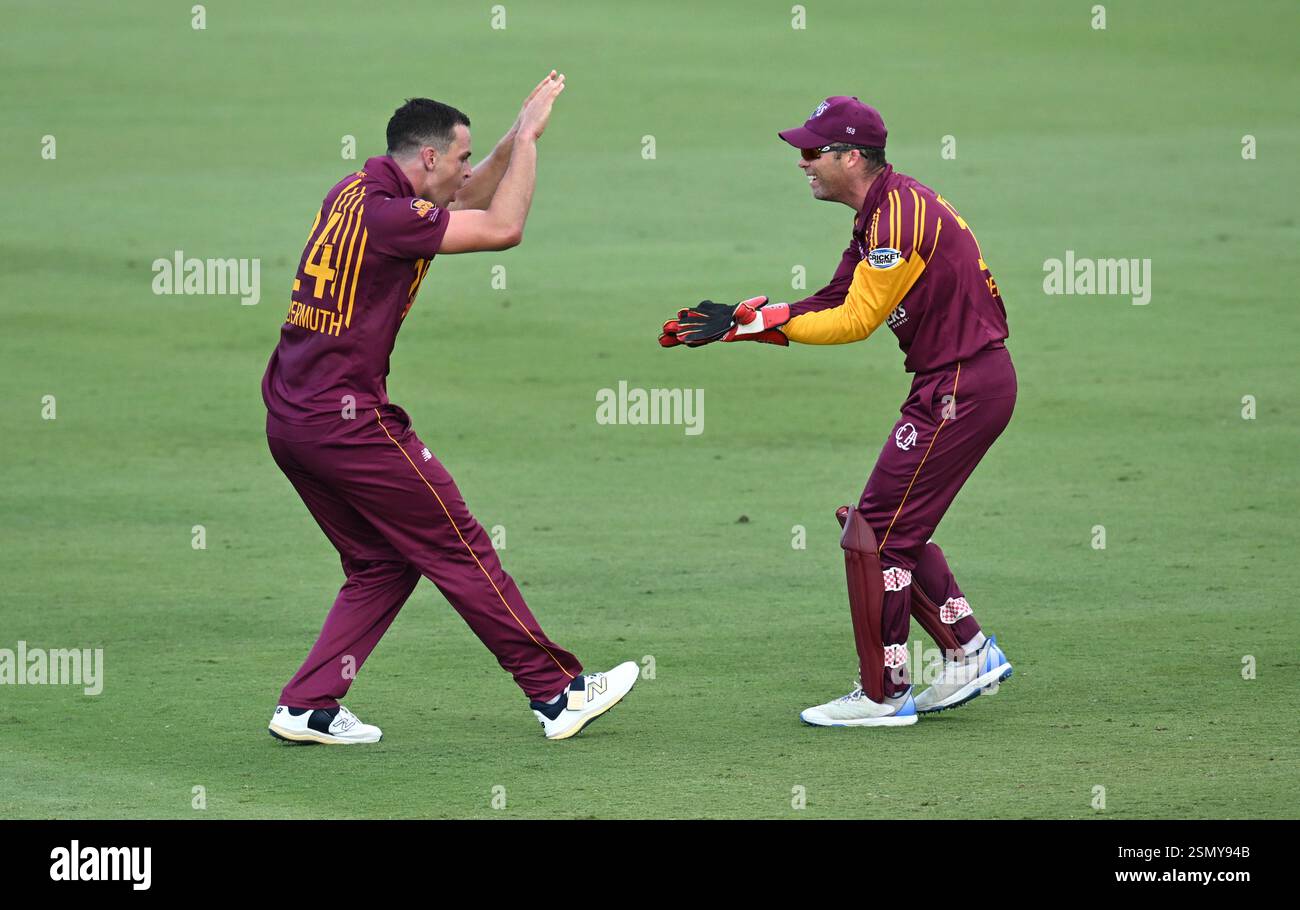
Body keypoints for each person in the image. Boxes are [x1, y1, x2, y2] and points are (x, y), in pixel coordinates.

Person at [262, 72, 637, 744]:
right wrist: (528, 141)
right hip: (345, 425)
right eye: (459, 156)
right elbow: (504, 226)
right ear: (427, 157)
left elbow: (470, 193)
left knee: (382, 562)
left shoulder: (353, 192)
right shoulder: (388, 216)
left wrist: (507, 139)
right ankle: (556, 693)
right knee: (460, 545)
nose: (466, 169)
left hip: (292, 422)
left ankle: (308, 704)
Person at [661, 96, 1016, 727]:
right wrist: (748, 324)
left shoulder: (896, 224)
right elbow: (832, 295)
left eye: (812, 152)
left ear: (852, 156)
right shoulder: (882, 209)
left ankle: (885, 694)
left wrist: (763, 328)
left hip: (960, 387)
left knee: (876, 537)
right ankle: (968, 653)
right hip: (957, 381)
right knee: (884, 526)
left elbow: (855, 320)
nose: (802, 163)